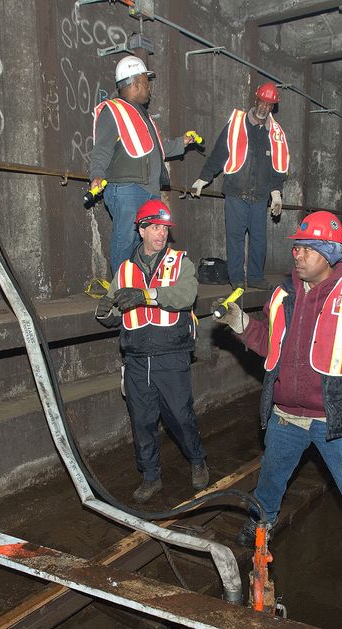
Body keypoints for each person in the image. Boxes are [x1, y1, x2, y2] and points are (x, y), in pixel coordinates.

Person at [217, 210, 342, 621]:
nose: (298, 255)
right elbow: (270, 344)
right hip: (287, 417)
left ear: (329, 254)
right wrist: (241, 325)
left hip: (336, 423)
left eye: (307, 249)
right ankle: (259, 531)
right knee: (268, 488)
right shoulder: (284, 294)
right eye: (296, 248)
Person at [96, 199, 209, 503]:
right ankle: (150, 476)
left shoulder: (180, 262)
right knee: (142, 421)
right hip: (136, 358)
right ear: (141, 230)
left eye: (164, 228)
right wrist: (106, 311)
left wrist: (145, 295)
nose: (161, 233)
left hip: (170, 355)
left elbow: (186, 295)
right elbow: (116, 309)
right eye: (155, 227)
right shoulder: (125, 270)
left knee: (180, 417)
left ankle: (197, 459)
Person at [90, 55, 196, 274]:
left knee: (149, 243)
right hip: (127, 189)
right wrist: (96, 175)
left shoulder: (142, 116)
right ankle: (120, 291)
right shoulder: (114, 111)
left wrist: (182, 143)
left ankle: (143, 286)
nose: (150, 89)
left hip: (149, 190)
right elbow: (102, 148)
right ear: (135, 82)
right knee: (126, 239)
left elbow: (157, 148)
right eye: (147, 83)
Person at [190, 81, 289, 292]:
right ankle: (236, 278)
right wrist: (202, 179)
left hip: (260, 197)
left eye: (269, 105)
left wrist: (276, 194)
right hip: (236, 193)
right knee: (234, 238)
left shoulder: (275, 134)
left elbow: (277, 167)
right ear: (256, 100)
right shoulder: (236, 125)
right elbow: (218, 154)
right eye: (262, 102)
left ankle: (255, 277)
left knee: (259, 240)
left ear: (273, 107)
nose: (264, 108)